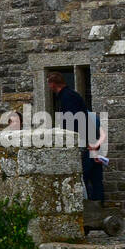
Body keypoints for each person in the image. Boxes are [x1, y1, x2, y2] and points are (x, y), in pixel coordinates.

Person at [47, 72, 103, 203]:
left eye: (49, 84)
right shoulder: (70, 95)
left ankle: (93, 211)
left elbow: (75, 123)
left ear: (53, 84)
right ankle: (98, 208)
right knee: (94, 179)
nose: (49, 87)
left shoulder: (67, 97)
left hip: (84, 144)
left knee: (84, 178)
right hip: (89, 141)